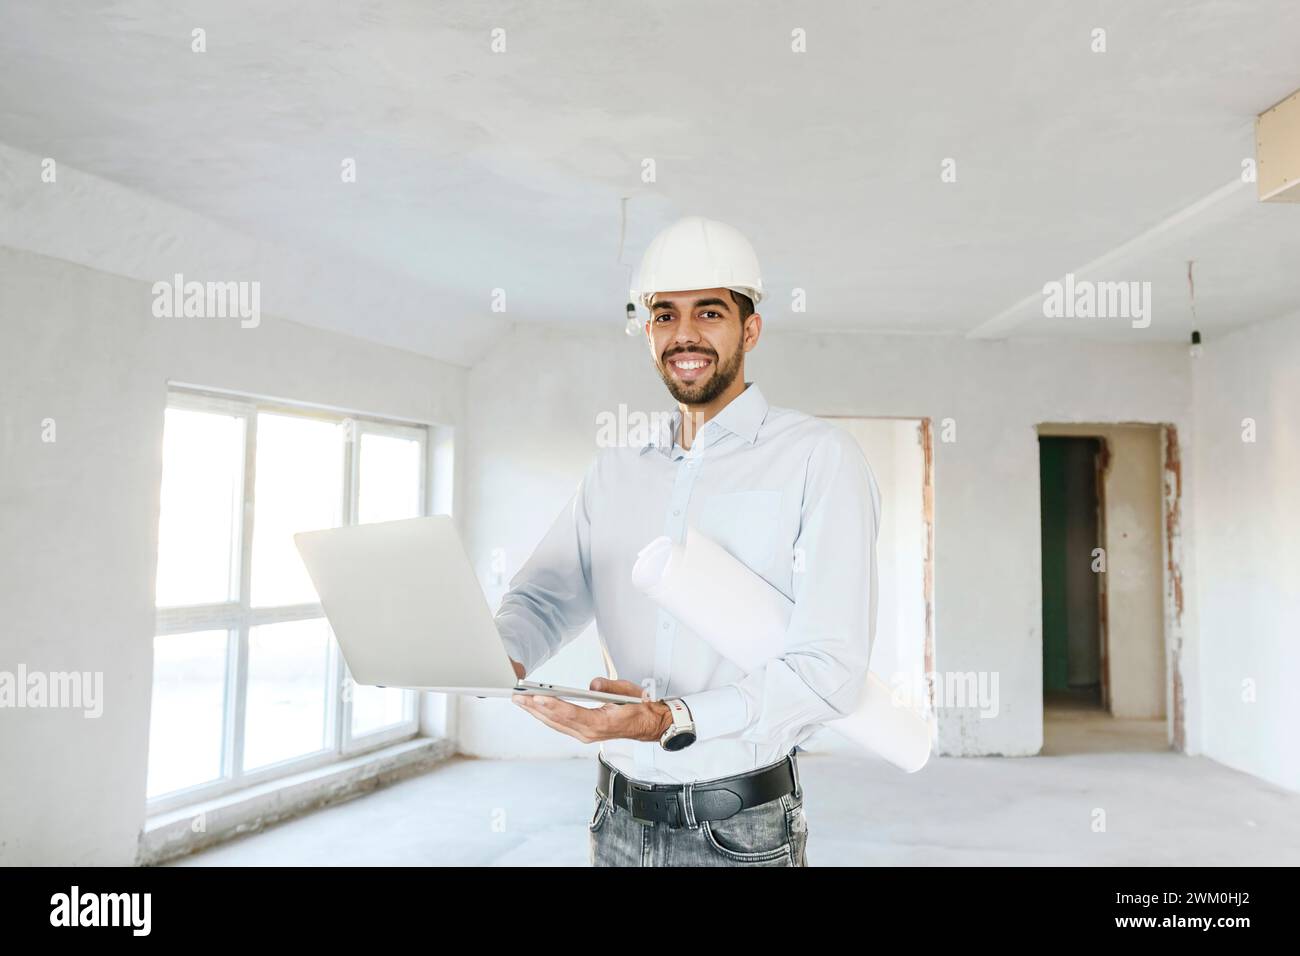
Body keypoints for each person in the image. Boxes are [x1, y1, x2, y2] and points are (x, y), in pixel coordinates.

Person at [496, 215, 881, 866]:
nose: (685, 335)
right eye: (664, 315)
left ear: (749, 328)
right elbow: (542, 598)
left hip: (738, 831)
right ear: (646, 331)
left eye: (709, 313)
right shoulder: (616, 469)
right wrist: (492, 656)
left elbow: (832, 673)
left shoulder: (818, 458)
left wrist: (667, 718)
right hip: (614, 820)